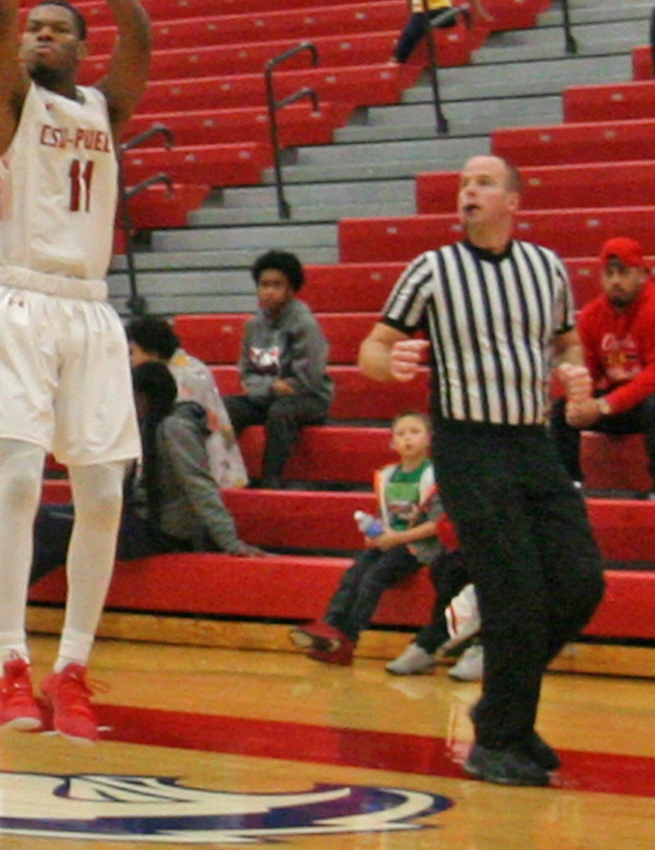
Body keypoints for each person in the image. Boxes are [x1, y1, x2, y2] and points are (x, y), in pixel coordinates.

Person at [0, 0, 148, 743]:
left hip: (91, 310)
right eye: (35, 29)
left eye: (59, 29)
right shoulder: (7, 106)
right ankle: (12, 667)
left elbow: (141, 30)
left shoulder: (105, 106)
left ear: (79, 47)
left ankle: (74, 670)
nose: (40, 36)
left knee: (102, 492)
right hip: (20, 302)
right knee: (20, 481)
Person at [359, 154, 605, 787]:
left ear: (513, 201)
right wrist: (394, 367)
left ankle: (504, 710)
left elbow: (567, 342)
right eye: (464, 183)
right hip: (468, 446)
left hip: (532, 442)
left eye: (483, 182)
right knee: (514, 590)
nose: (468, 190)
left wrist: (573, 370)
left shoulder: (545, 267)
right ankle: (498, 740)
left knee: (581, 582)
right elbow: (372, 348)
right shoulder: (432, 270)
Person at [0, 362, 264, 645]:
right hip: (135, 521)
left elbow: (200, 487)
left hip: (159, 531)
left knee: (42, 523)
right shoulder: (149, 426)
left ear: (146, 397)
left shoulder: (173, 429)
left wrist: (230, 542)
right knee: (54, 534)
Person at [549, 237, 655, 500]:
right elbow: (591, 371)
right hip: (632, 398)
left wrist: (606, 405)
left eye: (624, 273)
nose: (616, 281)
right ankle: (568, 486)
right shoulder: (593, 315)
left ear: (642, 274)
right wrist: (579, 400)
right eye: (609, 273)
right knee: (563, 410)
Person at [290, 413, 459, 666]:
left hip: (418, 547)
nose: (407, 438)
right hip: (391, 542)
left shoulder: (435, 476)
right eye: (400, 434)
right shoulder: (387, 475)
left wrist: (398, 537)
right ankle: (329, 626)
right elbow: (387, 515)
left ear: (429, 439)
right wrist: (375, 533)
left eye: (414, 432)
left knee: (373, 577)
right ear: (392, 442)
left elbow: (437, 524)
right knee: (353, 574)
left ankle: (348, 638)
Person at [227, 250, 334, 489]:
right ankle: (227, 474)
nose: (268, 291)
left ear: (290, 289)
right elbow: (246, 374)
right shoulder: (253, 325)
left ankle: (271, 481)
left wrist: (267, 388)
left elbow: (308, 379)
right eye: (264, 284)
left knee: (281, 412)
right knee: (226, 408)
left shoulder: (304, 324)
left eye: (277, 285)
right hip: (269, 396)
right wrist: (271, 387)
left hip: (309, 399)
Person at [125, 314, 247, 491]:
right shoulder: (160, 373)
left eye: (132, 352)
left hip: (201, 463)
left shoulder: (190, 375)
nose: (130, 359)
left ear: (151, 351)